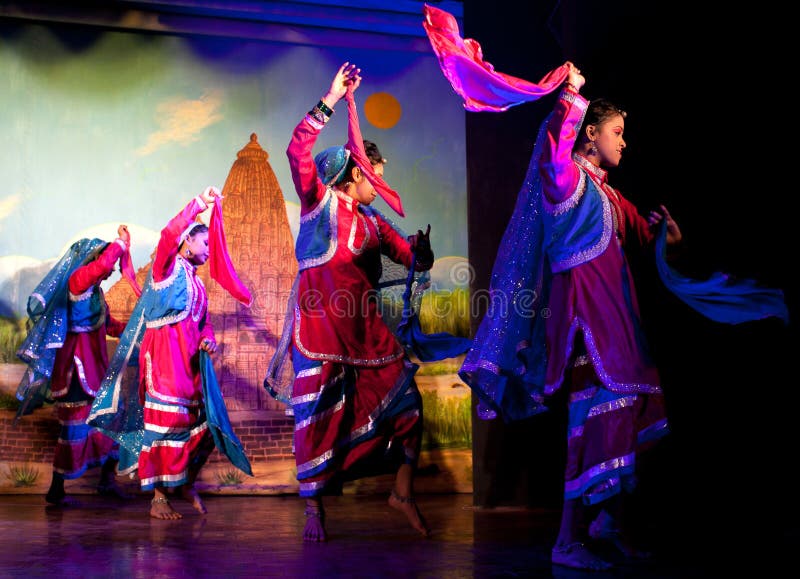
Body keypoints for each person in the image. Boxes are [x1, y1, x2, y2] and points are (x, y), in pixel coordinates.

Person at [279, 62, 434, 542]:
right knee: (319, 418)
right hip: (323, 329)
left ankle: (402, 492)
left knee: (408, 404)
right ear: (352, 175)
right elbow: (296, 149)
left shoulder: (373, 223)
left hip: (365, 333)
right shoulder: (317, 203)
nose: (379, 185)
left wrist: (422, 252)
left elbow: (412, 258)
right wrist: (331, 97)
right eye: (375, 177)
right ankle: (314, 508)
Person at [16, 225, 138, 506]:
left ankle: (106, 482)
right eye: (105, 263)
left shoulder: (95, 293)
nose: (109, 271)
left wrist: (134, 328)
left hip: (96, 371)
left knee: (111, 422)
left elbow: (108, 324)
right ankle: (57, 489)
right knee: (73, 429)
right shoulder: (78, 280)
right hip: (75, 371)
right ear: (93, 259)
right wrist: (120, 243)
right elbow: (103, 265)